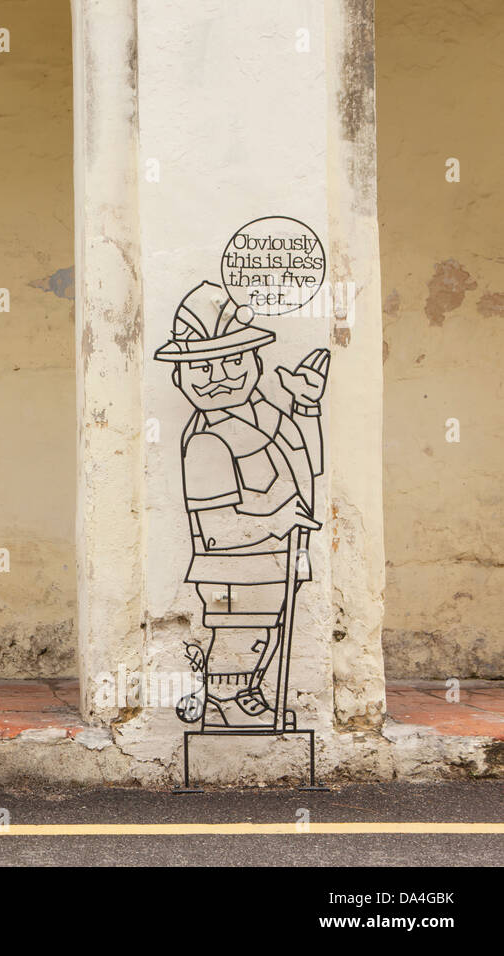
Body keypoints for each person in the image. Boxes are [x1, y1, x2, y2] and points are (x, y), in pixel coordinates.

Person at [154, 283, 329, 729]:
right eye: (202, 367)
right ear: (180, 376)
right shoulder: (207, 442)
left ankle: (244, 694)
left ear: (255, 362)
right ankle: (223, 700)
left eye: (233, 360)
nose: (220, 377)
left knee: (265, 633)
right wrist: (274, 521)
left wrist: (306, 407)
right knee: (241, 634)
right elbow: (217, 530)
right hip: (233, 567)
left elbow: (311, 467)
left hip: (275, 559)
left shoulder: (268, 414)